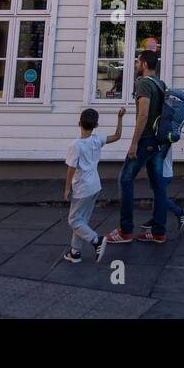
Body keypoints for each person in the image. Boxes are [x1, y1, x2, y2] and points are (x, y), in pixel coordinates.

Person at [105, 50, 170, 244]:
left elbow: (143, 115)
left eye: (137, 62)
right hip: (159, 141)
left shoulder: (143, 84)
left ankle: (125, 231)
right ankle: (158, 231)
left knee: (125, 179)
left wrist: (134, 143)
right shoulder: (161, 84)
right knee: (159, 186)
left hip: (146, 140)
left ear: (143, 64)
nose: (135, 65)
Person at [63, 107, 125, 263]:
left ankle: (96, 240)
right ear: (96, 125)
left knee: (74, 220)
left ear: (79, 123)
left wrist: (66, 188)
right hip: (95, 186)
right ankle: (75, 252)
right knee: (81, 220)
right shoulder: (97, 140)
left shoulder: (75, 145)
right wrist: (120, 117)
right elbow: (117, 136)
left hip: (82, 188)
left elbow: (71, 168)